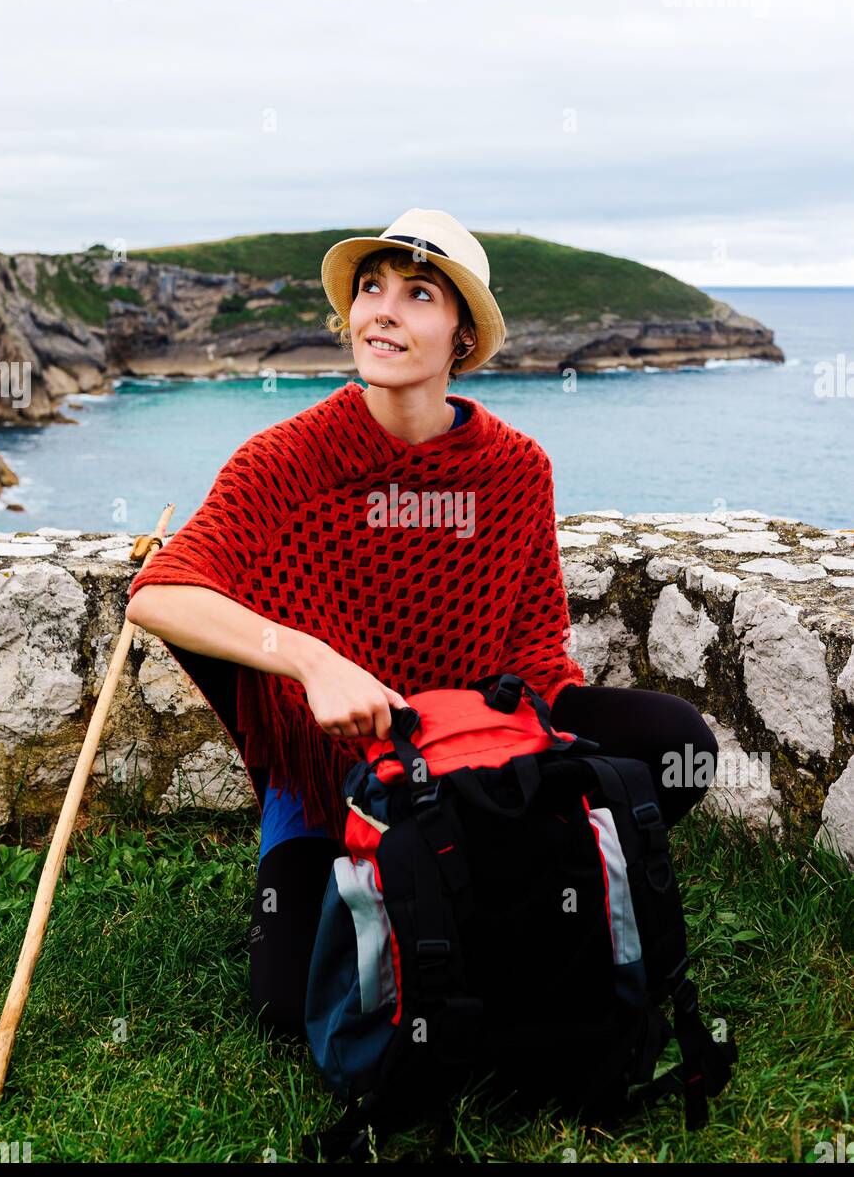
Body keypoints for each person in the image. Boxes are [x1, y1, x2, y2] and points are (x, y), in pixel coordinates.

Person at [125, 207, 718, 1044]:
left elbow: (537, 650)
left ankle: (481, 866)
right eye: (370, 290)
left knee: (673, 740)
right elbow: (160, 593)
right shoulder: (284, 460)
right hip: (339, 775)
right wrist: (311, 660)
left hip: (479, 750)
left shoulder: (516, 467)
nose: (382, 311)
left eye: (416, 294)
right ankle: (446, 881)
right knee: (291, 1001)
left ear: (462, 336)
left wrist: (530, 745)